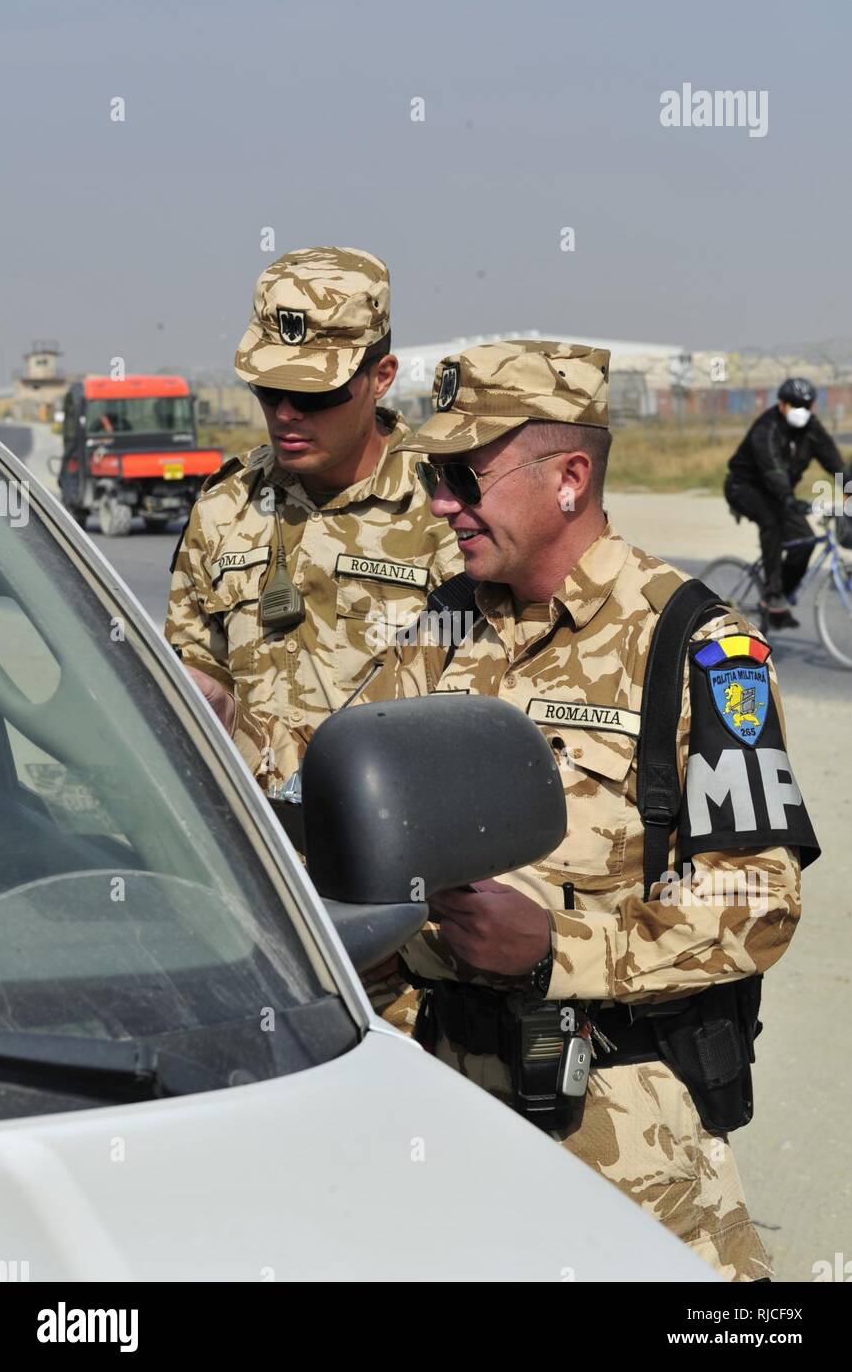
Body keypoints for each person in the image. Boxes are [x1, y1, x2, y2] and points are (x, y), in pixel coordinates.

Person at [355, 341, 819, 1280]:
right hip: (443, 1103)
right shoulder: (445, 622)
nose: (443, 500)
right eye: (436, 473)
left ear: (568, 477)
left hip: (619, 1138)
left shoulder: (693, 642)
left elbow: (758, 901)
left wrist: (556, 950)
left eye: (464, 473)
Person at [165, 245, 461, 1030]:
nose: (286, 415)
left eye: (315, 393)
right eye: (268, 390)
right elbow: (200, 676)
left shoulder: (448, 509)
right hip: (250, 912)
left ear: (381, 375)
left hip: (401, 931)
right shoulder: (225, 505)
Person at [724, 377, 846, 628]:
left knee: (805, 541)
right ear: (782, 404)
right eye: (796, 405)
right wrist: (789, 499)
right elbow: (773, 470)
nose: (802, 411)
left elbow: (834, 462)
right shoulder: (766, 428)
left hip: (779, 494)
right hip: (744, 487)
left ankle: (778, 605)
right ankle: (772, 593)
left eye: (807, 405)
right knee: (772, 522)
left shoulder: (812, 430)